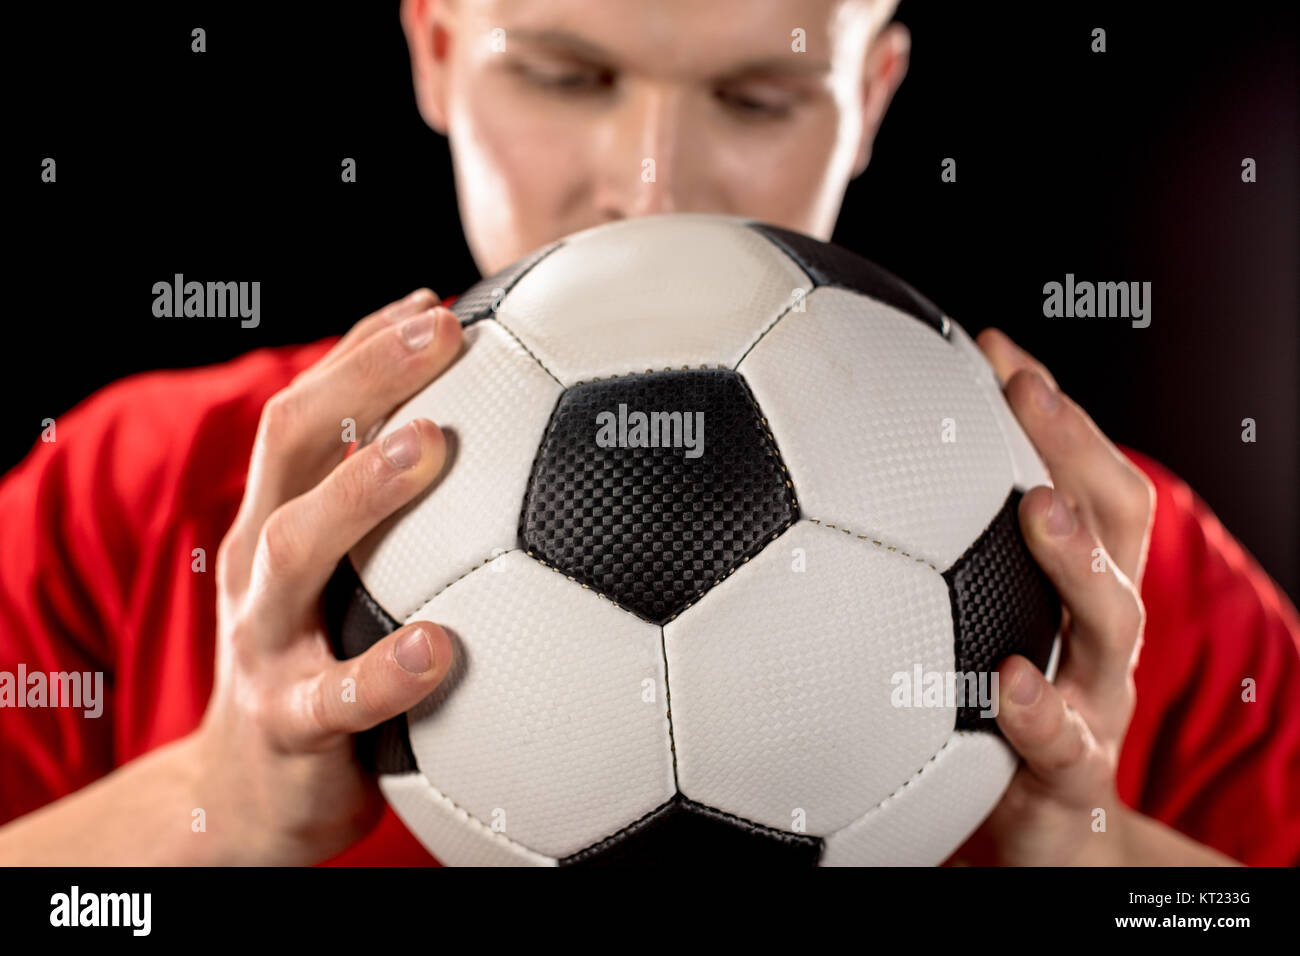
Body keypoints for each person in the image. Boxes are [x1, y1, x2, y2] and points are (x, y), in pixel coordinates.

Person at [1, 0, 1296, 866]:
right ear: (438, 52)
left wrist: (1109, 865)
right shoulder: (133, 496)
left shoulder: (1113, 563)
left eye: (759, 96)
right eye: (565, 76)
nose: (650, 185)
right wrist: (214, 806)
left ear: (874, 91)